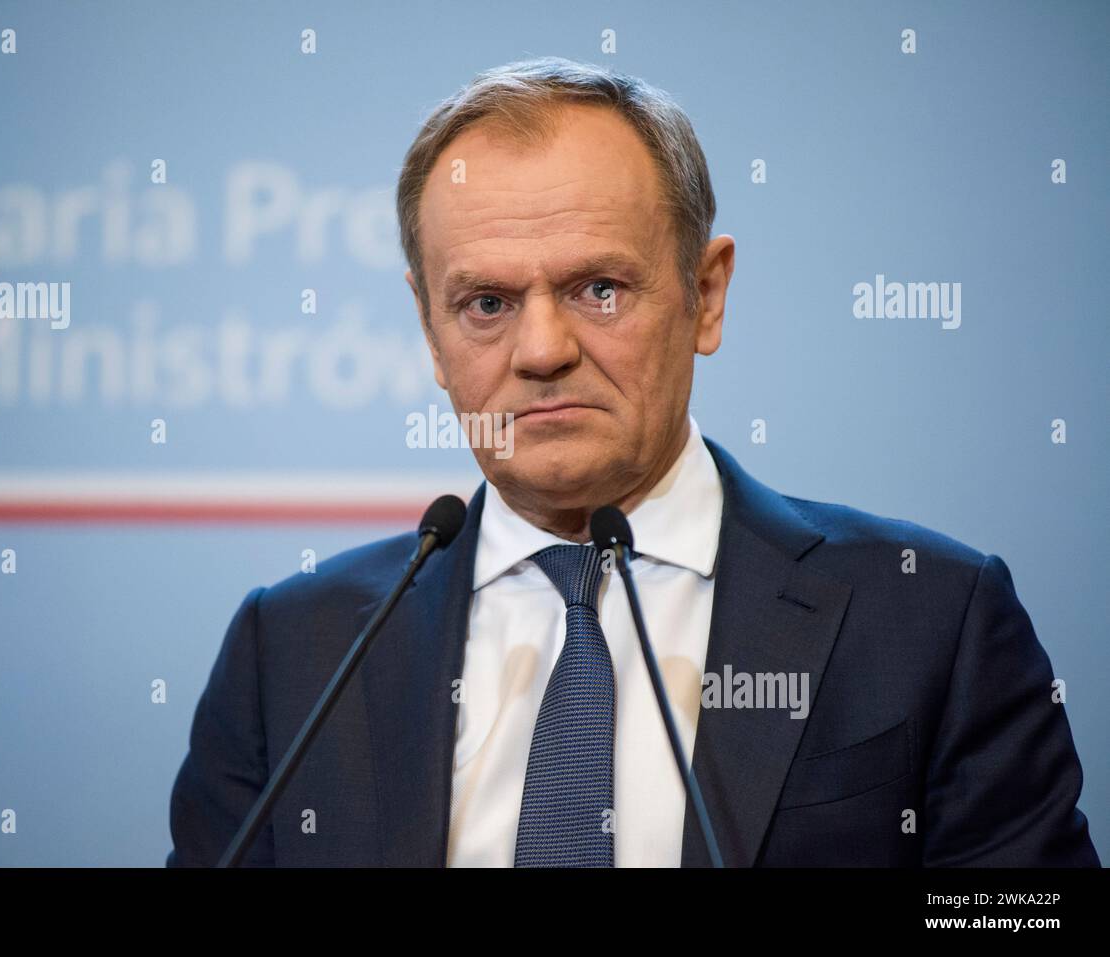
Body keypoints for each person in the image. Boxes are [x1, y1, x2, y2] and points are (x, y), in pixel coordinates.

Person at [167, 57, 1099, 867]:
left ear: (705, 293)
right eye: (486, 303)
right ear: (429, 330)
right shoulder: (291, 652)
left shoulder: (931, 619)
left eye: (599, 288)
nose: (541, 350)